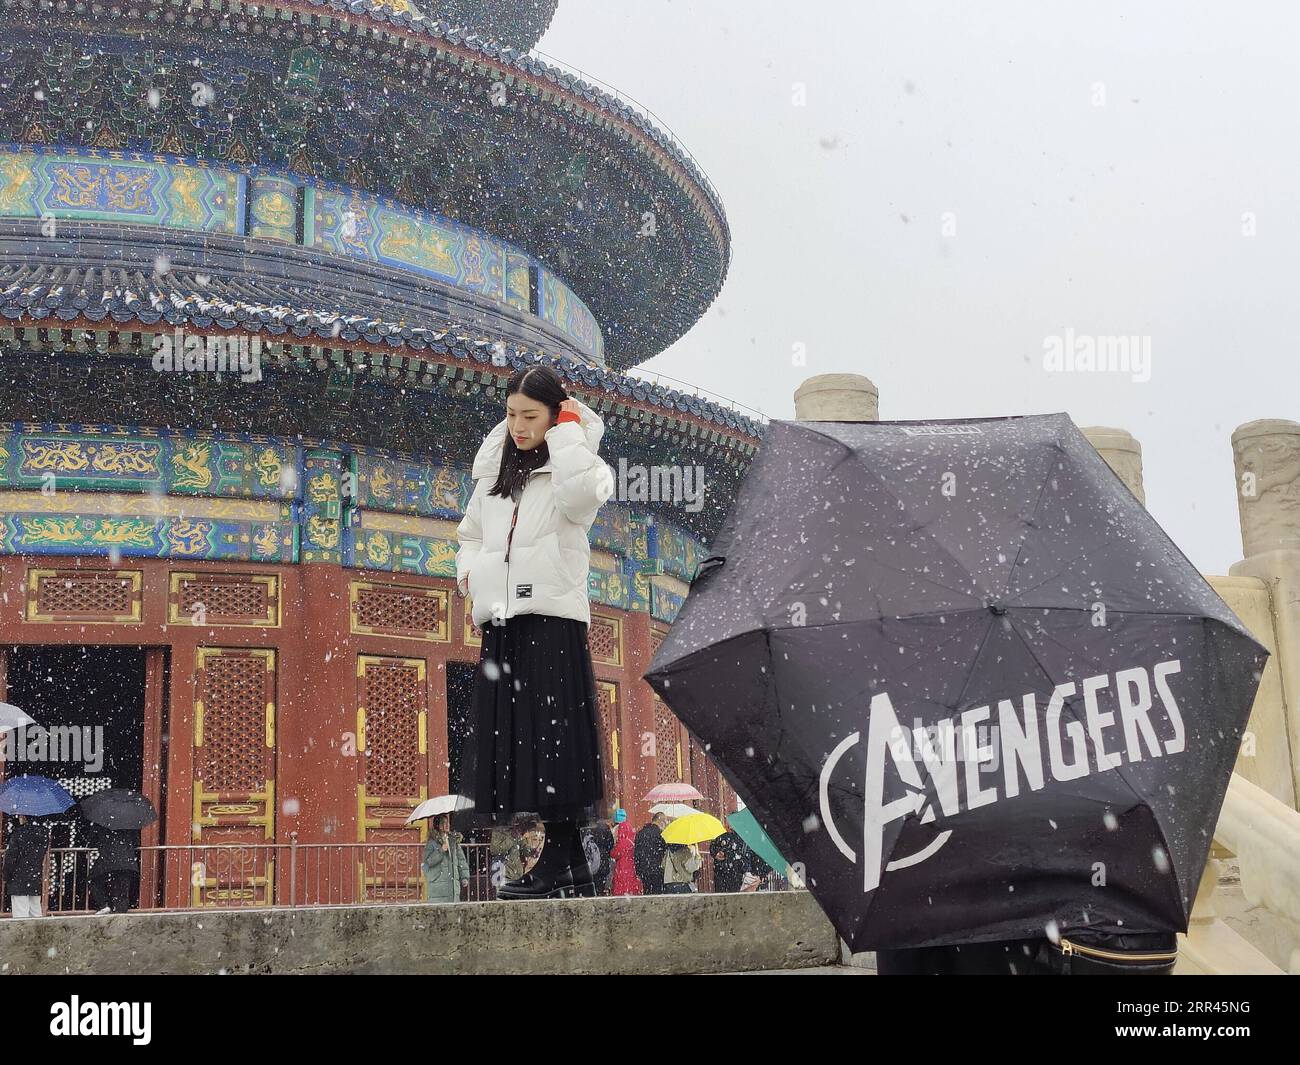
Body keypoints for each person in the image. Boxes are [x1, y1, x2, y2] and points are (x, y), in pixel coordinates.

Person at [454, 364, 614, 900]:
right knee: (521, 741)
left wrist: (570, 432)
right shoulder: (496, 471)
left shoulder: (577, 463)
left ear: (555, 415)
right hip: (504, 620)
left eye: (531, 416)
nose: (518, 426)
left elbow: (579, 500)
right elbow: (470, 534)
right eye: (510, 414)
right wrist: (470, 574)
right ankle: (568, 862)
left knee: (554, 741)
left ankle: (561, 860)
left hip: (551, 617)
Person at [3, 814, 50, 918]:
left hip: (18, 877)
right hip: (35, 876)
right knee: (35, 911)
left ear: (24, 817)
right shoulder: (44, 833)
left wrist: (6, 875)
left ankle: (22, 934)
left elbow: (11, 857)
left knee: (20, 912)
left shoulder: (18, 833)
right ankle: (38, 933)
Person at [86, 823, 139, 914]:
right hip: (127, 861)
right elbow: (136, 842)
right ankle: (120, 912)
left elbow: (91, 841)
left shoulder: (100, 821)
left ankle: (103, 904)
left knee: (93, 879)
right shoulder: (130, 824)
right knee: (122, 889)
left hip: (108, 858)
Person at [422, 814, 471, 904]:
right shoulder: (432, 842)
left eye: (447, 822)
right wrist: (441, 850)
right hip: (439, 885)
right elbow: (427, 862)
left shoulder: (453, 841)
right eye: (444, 823)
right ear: (439, 826)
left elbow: (461, 860)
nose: (447, 825)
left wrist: (464, 877)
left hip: (452, 885)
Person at [633, 812, 669, 896]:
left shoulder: (640, 833)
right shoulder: (660, 834)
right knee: (658, 893)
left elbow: (637, 852)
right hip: (657, 869)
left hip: (644, 869)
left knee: (647, 892)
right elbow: (664, 850)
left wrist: (638, 869)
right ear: (661, 821)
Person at [609, 809, 642, 896]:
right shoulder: (631, 841)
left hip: (622, 869)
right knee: (630, 887)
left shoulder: (622, 842)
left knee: (621, 889)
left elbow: (614, 854)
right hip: (630, 869)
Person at [708, 829, 751, 893]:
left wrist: (745, 869)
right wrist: (716, 853)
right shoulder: (720, 834)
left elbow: (743, 854)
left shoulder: (741, 836)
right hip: (721, 872)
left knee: (734, 895)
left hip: (736, 873)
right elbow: (712, 847)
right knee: (721, 895)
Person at [584, 817, 615, 895]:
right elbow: (610, 844)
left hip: (591, 860)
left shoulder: (588, 828)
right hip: (603, 860)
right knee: (601, 883)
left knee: (592, 882)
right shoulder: (605, 828)